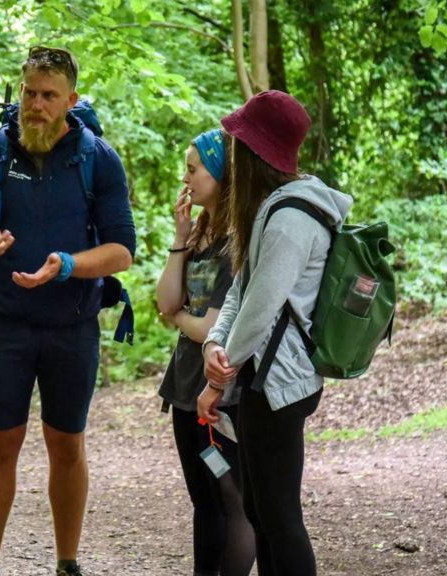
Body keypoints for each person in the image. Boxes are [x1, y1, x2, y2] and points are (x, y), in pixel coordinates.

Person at [0, 46, 136, 576]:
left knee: (66, 442)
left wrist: (65, 265)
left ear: (70, 100)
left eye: (49, 96)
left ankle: (68, 562)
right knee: (0, 441)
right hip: (3, 321)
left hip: (72, 323)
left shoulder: (97, 157)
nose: (35, 104)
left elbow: (121, 251)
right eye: (30, 92)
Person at [197, 91, 353, 576]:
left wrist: (218, 380)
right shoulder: (274, 208)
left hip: (280, 385)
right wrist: (213, 343)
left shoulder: (290, 218)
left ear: (255, 151)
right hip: (262, 380)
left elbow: (262, 307)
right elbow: (243, 289)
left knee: (279, 516)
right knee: (261, 513)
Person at [156, 129, 256, 576]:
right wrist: (180, 237)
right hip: (183, 385)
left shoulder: (238, 240)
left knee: (230, 496)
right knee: (202, 497)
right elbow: (165, 299)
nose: (186, 177)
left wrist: (177, 320)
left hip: (221, 389)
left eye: (194, 169)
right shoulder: (200, 232)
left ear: (219, 172)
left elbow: (210, 326)